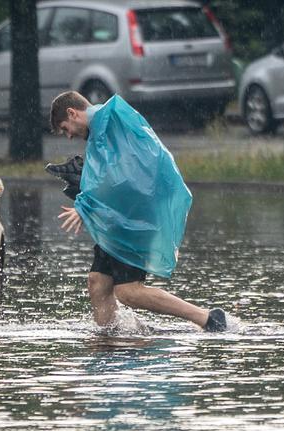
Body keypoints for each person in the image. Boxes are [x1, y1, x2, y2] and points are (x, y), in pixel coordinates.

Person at [49, 90, 230, 332]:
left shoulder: (110, 120)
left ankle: (208, 318)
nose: (68, 136)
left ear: (72, 113)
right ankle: (113, 341)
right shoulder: (100, 130)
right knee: (98, 283)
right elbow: (113, 174)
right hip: (120, 218)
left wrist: (85, 205)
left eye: (64, 128)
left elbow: (126, 172)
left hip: (138, 218)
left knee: (128, 292)